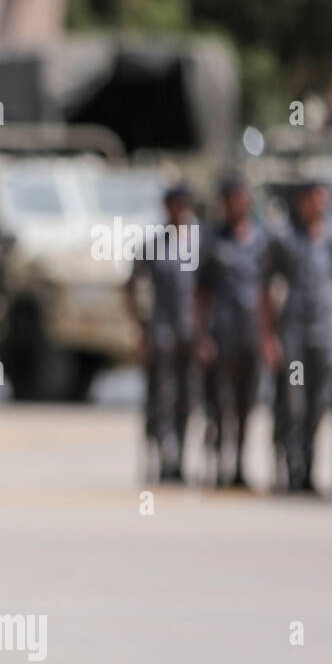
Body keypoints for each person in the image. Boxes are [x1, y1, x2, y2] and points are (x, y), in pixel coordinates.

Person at [261, 179, 332, 495]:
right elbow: (265, 289)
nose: (319, 203)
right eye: (313, 197)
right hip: (295, 337)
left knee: (319, 403)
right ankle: (293, 470)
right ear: (301, 201)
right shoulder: (285, 238)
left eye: (322, 197)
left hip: (325, 336)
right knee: (294, 402)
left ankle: (309, 469)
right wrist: (269, 337)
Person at [195, 177, 267, 489]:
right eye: (229, 199)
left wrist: (269, 336)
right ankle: (218, 466)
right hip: (221, 334)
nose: (235, 205)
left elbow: (267, 293)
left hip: (250, 334)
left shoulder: (262, 242)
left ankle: (239, 466)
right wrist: (202, 337)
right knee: (219, 404)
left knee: (245, 404)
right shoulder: (212, 242)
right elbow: (201, 295)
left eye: (239, 198)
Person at [126, 184, 197, 483]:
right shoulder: (154, 244)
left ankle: (179, 459)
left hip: (189, 333)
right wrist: (141, 327)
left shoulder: (197, 243)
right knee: (159, 398)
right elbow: (131, 286)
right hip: (161, 332)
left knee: (186, 397)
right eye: (174, 205)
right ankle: (157, 459)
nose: (179, 211)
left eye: (184, 204)